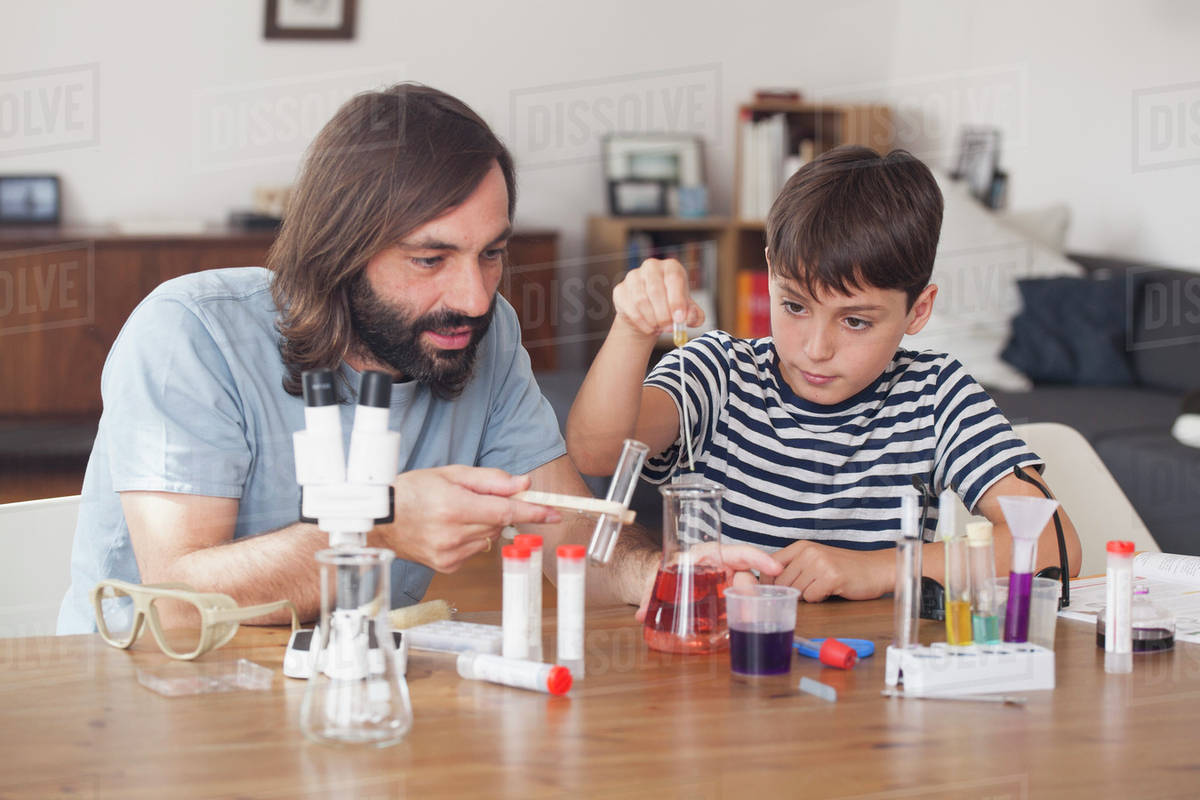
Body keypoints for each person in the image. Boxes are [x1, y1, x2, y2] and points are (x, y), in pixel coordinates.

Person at [58, 84, 779, 634]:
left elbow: (567, 529)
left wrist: (663, 575)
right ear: (340, 251)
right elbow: (178, 605)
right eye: (430, 259)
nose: (474, 297)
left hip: (352, 700)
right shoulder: (190, 335)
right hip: (146, 701)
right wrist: (375, 525)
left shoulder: (484, 333)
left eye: (491, 253)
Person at [566, 146, 1082, 603]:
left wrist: (879, 568)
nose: (816, 349)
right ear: (770, 272)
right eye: (794, 306)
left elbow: (1054, 543)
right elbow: (596, 453)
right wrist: (632, 328)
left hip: (876, 671)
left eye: (855, 321)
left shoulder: (934, 394)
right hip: (719, 660)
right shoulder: (717, 373)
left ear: (918, 310)